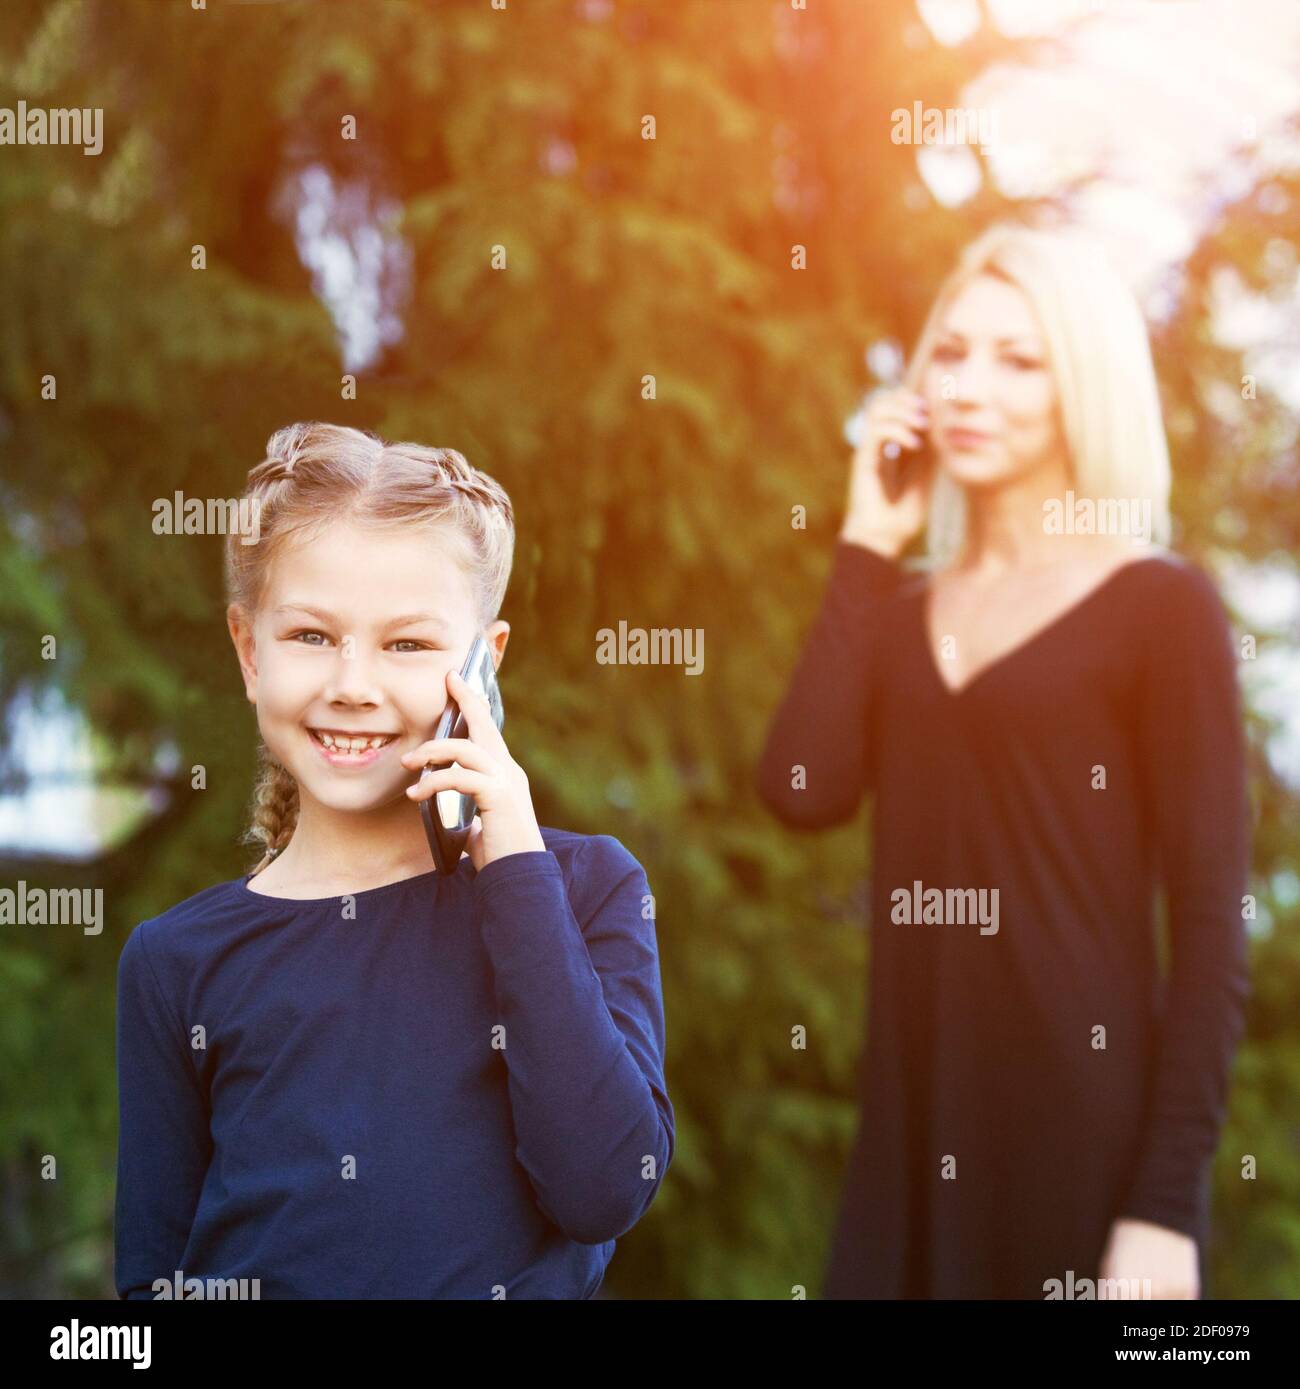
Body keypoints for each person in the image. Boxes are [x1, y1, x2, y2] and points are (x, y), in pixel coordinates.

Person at [757, 223, 1251, 1300]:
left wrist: (1164, 1209)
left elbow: (1213, 925)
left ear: (1083, 383)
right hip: (911, 1144)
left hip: (1086, 1153)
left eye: (1017, 360)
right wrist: (864, 546)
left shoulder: (1162, 609)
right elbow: (800, 790)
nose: (969, 386)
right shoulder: (897, 613)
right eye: (951, 352)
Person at [114, 422, 674, 1298]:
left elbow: (602, 1186)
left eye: (406, 644)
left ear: (483, 667)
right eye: (310, 636)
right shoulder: (175, 961)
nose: (352, 683)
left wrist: (515, 867)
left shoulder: (583, 890)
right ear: (249, 650)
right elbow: (152, 1285)